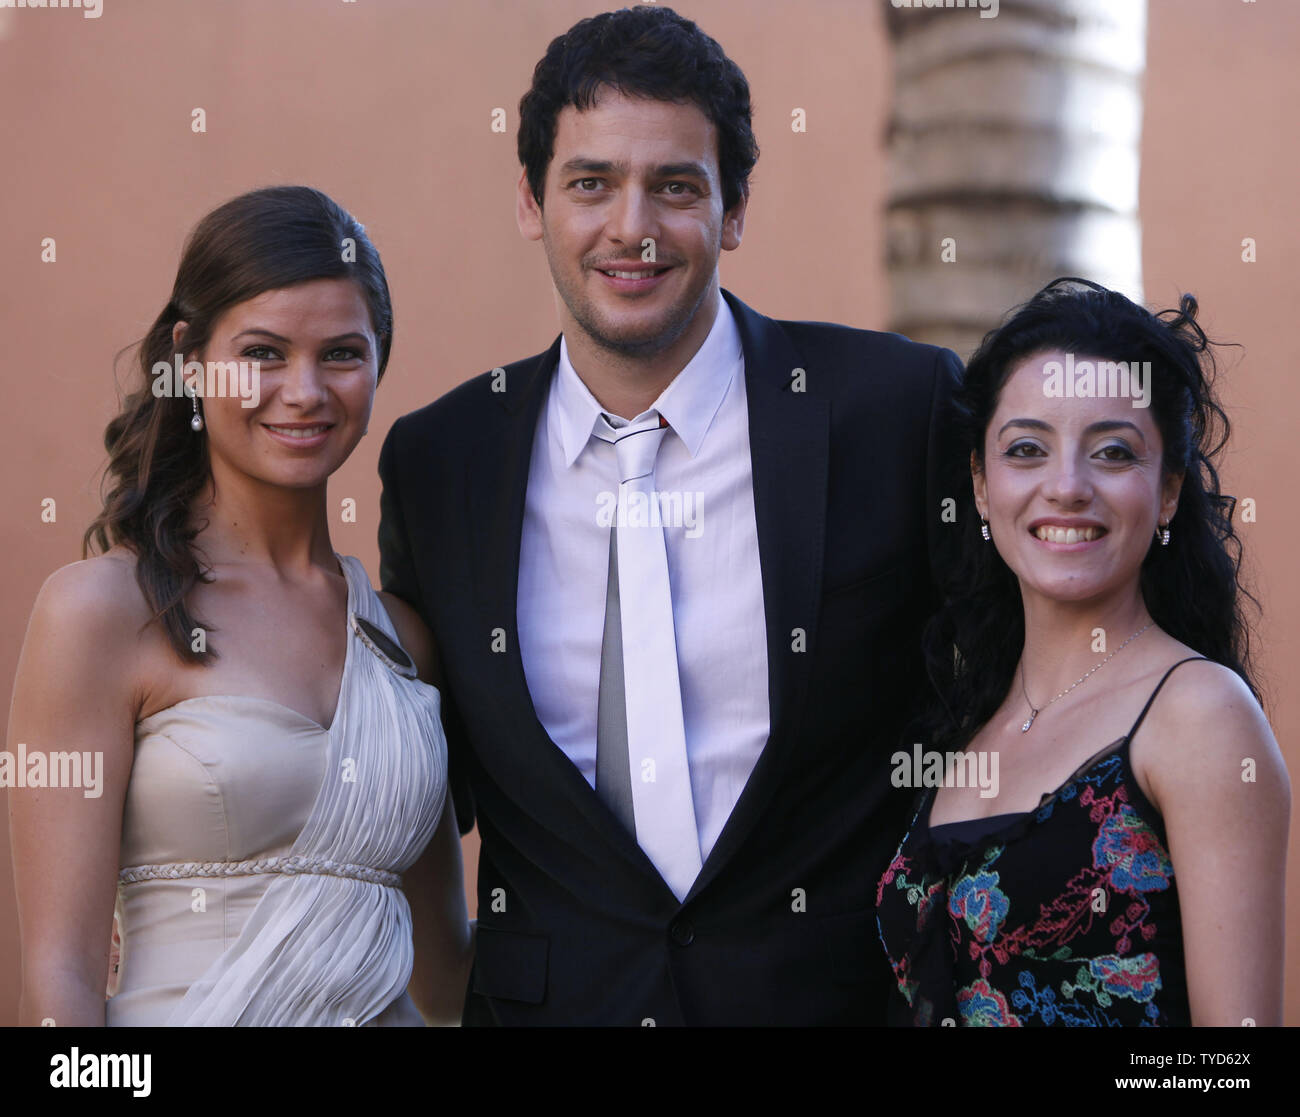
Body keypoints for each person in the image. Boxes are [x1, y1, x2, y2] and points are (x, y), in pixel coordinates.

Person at [378, 6, 962, 1025]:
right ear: (530, 201)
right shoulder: (441, 461)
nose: (632, 227)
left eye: (676, 186)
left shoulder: (895, 409)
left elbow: (1013, 687)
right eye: (591, 182)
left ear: (734, 210)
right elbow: (430, 786)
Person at [8, 185, 472, 1026]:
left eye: (341, 354)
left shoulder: (403, 639)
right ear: (189, 358)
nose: (303, 391)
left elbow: (447, 973)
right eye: (262, 352)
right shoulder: (102, 612)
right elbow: (58, 978)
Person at [875, 277, 1290, 1026]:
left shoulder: (1198, 715)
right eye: (1027, 449)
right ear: (979, 482)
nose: (1066, 486)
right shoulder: (968, 716)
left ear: (1167, 493)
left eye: (1111, 452)